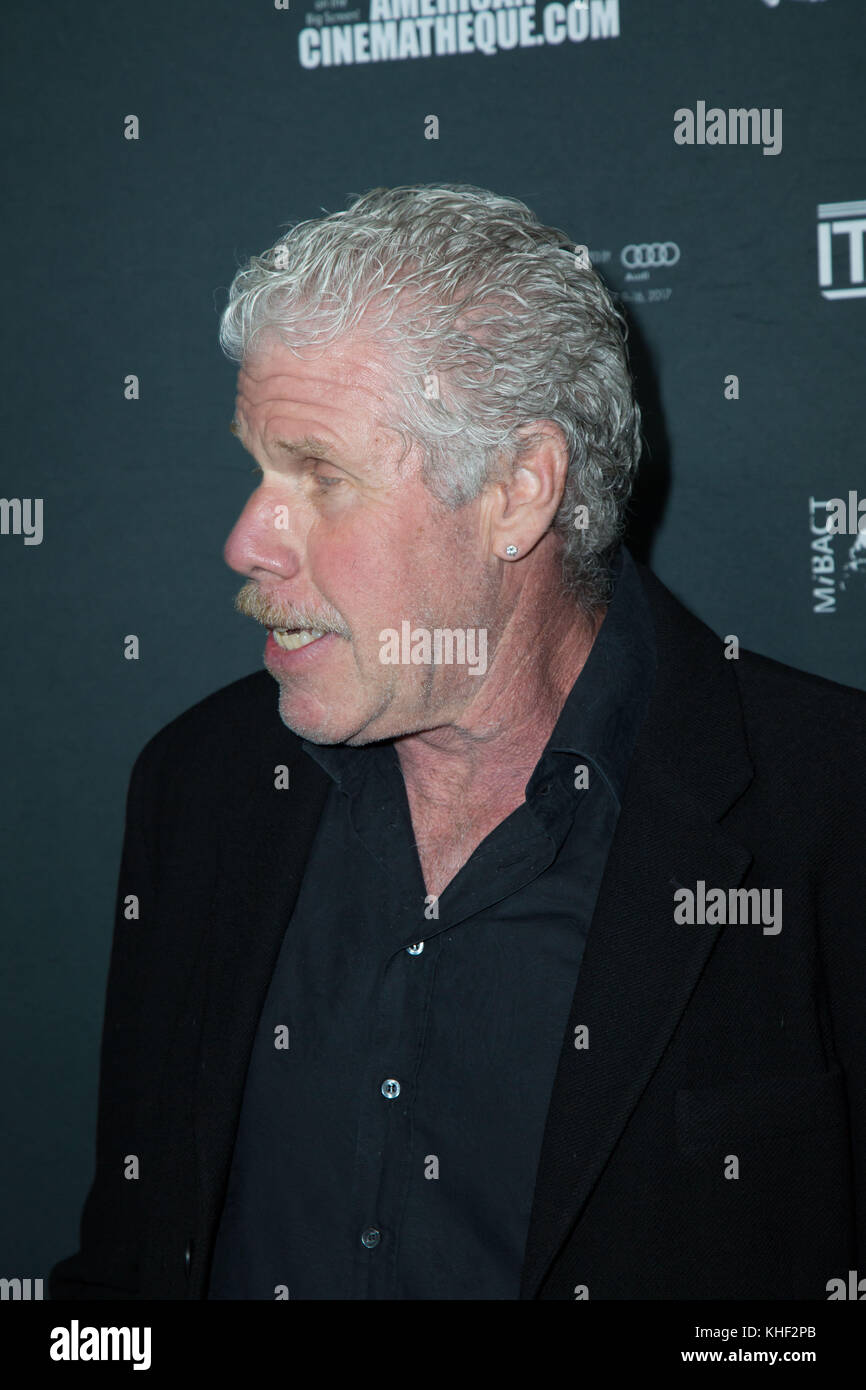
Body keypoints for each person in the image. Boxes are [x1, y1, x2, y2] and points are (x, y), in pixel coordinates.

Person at [50, 184, 865, 1301]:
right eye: (257, 468)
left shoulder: (826, 810)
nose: (247, 539)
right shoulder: (198, 788)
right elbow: (132, 1267)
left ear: (517, 491)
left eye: (319, 474)